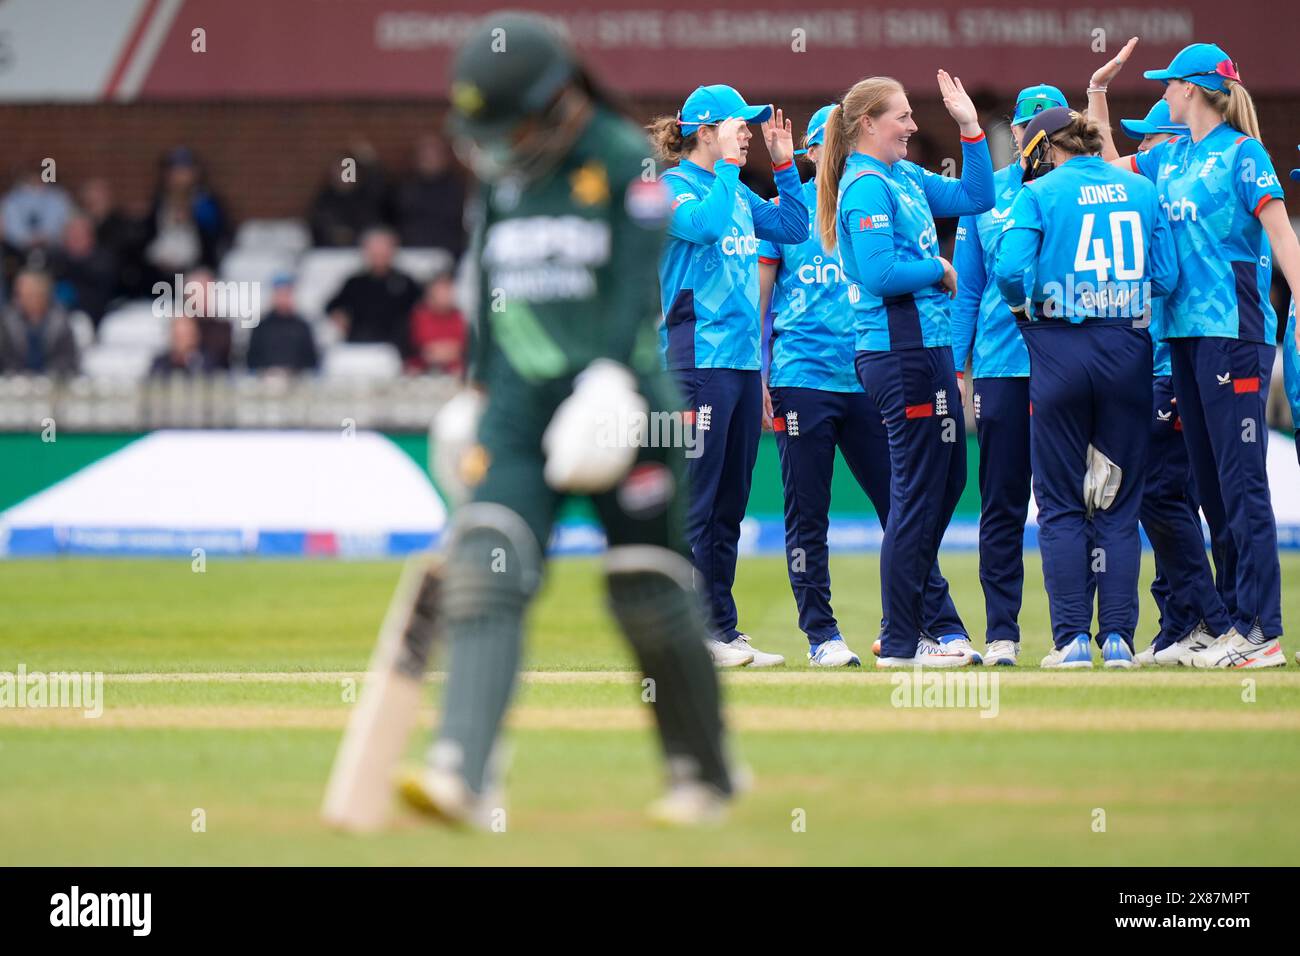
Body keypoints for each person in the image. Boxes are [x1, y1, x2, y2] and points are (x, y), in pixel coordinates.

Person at [396, 12, 741, 828]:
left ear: (557, 104)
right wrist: (475, 393)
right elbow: (488, 284)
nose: (495, 144)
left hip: (627, 405)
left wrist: (615, 381)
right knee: (485, 566)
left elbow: (635, 287)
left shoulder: (626, 162)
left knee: (646, 591)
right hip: (521, 404)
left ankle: (706, 770)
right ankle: (465, 772)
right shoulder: (501, 178)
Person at [757, 105, 975, 668]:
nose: (822, 153)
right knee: (808, 513)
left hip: (864, 371)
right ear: (808, 151)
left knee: (905, 501)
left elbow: (971, 195)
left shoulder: (885, 188)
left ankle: (928, 625)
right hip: (802, 378)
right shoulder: (793, 212)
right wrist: (761, 374)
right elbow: (761, 301)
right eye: (815, 145)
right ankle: (822, 636)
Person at [1109, 42, 1300, 667]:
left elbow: (1280, 233)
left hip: (1234, 333)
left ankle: (1263, 630)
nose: (1162, 93)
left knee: (1243, 482)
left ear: (1190, 90)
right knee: (1214, 487)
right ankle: (1235, 622)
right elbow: (1110, 175)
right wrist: (1094, 95)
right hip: (1184, 336)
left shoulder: (1245, 154)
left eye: (1169, 85)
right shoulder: (1175, 156)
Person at [817, 72, 994, 668]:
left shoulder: (904, 176)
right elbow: (880, 273)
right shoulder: (865, 186)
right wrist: (939, 268)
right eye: (903, 116)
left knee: (945, 484)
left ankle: (906, 626)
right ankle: (901, 641)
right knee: (917, 493)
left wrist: (970, 127)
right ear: (868, 123)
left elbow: (977, 198)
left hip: (930, 349)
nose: (915, 126)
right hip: (899, 355)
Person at [994, 106, 1177, 668]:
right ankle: (1119, 638)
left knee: (1060, 502)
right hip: (1127, 348)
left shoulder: (1039, 193)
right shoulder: (1140, 188)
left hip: (1060, 350)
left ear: (1047, 149)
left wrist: (1034, 308)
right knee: (1119, 504)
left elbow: (1008, 272)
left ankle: (1071, 638)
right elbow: (1166, 278)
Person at [649, 83, 809, 668]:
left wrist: (784, 164)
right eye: (740, 125)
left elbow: (793, 226)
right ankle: (692, 632)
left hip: (741, 365)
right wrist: (729, 170)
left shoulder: (735, 190)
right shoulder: (671, 189)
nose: (749, 132)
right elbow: (711, 227)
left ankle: (721, 630)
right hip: (696, 364)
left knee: (729, 507)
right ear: (706, 130)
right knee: (699, 501)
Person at [1114, 100, 1235, 666]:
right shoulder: (1161, 192)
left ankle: (1215, 619)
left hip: (1172, 364)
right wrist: (1094, 92)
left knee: (1161, 495)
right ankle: (1183, 624)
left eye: (1147, 141)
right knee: (1175, 497)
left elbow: (1165, 279)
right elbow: (1110, 164)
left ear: (1175, 143)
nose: (1136, 152)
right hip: (1164, 363)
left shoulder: (1171, 203)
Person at [326, 228, 421, 359]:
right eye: (375, 251)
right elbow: (331, 306)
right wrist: (339, 315)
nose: (379, 255)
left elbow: (422, 308)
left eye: (383, 250)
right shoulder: (354, 282)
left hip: (396, 347)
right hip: (359, 344)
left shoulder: (405, 282)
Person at [391, 133, 468, 258]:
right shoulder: (404, 187)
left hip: (448, 254)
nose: (429, 159)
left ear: (445, 157)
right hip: (409, 253)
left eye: (435, 154)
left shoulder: (457, 189)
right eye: (425, 154)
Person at [0, 269, 79, 375]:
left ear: (42, 295)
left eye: (27, 294)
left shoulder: (60, 320)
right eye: (19, 294)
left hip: (52, 381)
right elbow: (5, 357)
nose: (19, 299)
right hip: (15, 381)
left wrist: (47, 376)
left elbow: (68, 358)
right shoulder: (7, 320)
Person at [246, 274, 319, 374]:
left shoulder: (302, 327)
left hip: (297, 380)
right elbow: (252, 360)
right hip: (266, 380)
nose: (283, 298)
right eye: (280, 294)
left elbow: (311, 360)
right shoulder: (261, 327)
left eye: (287, 294)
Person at [406, 271, 466, 375]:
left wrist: (445, 352)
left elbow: (461, 347)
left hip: (455, 370)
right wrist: (444, 351)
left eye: (448, 292)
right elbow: (423, 349)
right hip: (423, 369)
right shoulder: (419, 316)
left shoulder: (459, 316)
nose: (445, 296)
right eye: (440, 292)